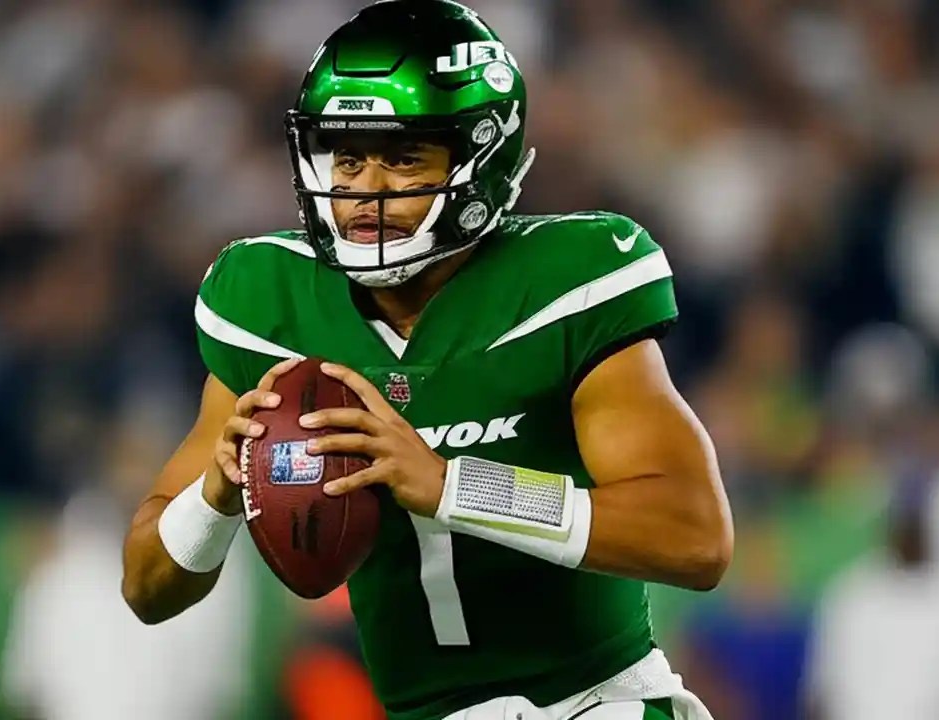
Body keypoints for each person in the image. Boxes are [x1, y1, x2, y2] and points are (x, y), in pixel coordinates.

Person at [121, 2, 733, 718]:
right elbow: (146, 589)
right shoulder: (269, 306)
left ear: (481, 155)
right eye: (346, 157)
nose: (366, 189)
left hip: (593, 706)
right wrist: (216, 499)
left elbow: (696, 538)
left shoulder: (570, 280)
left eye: (403, 157)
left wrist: (451, 486)